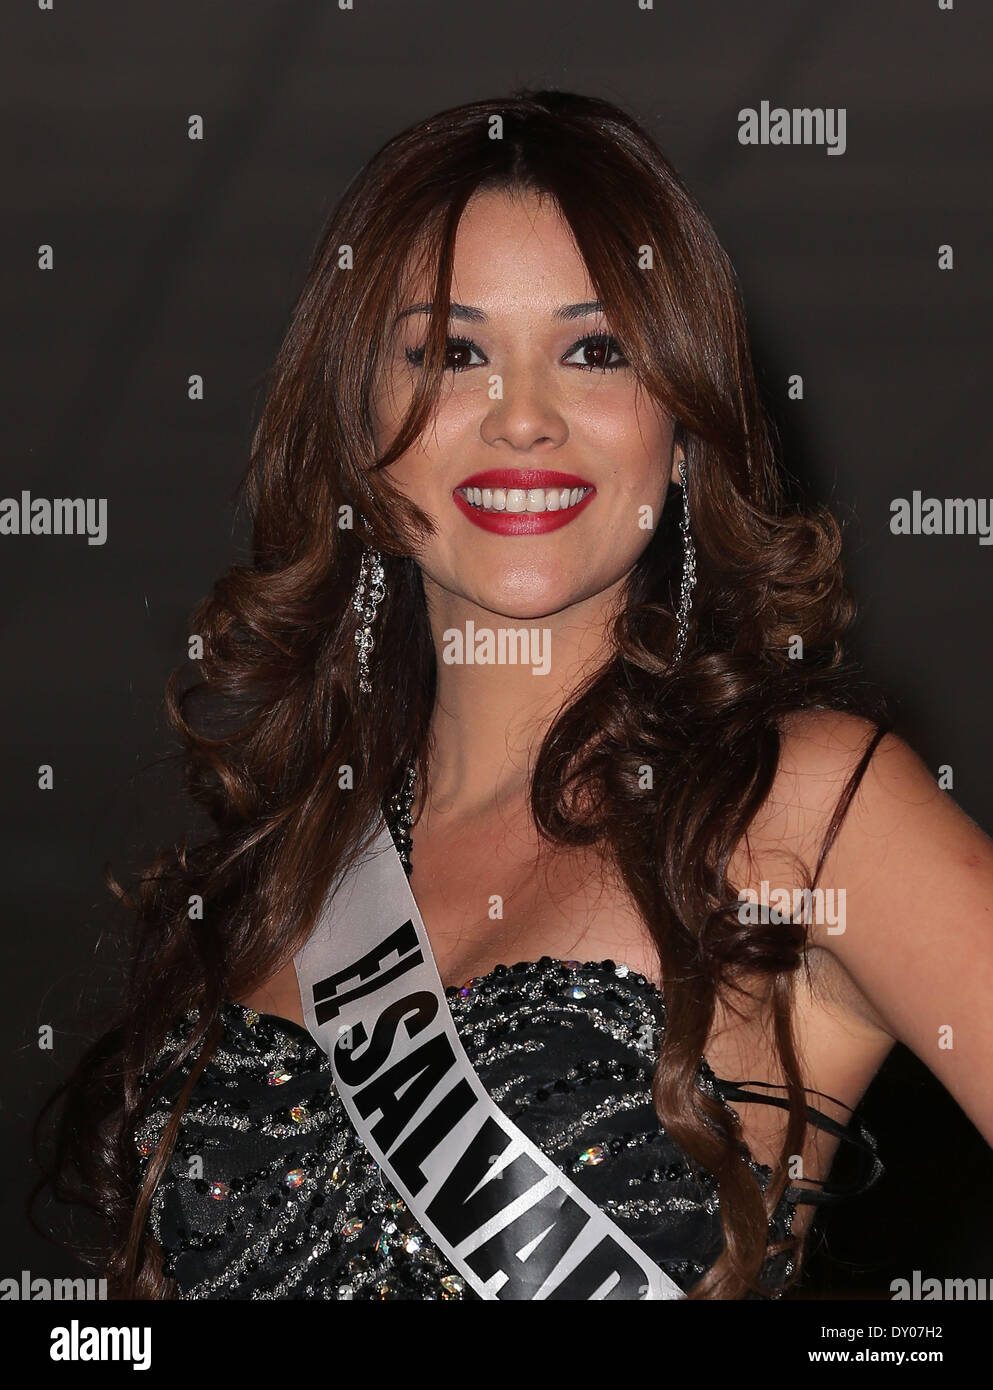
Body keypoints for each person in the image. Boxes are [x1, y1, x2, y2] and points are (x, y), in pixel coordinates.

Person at [41, 89, 993, 1301]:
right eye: (452, 352)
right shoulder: (278, 885)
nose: (524, 417)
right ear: (358, 422)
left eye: (596, 351)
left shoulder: (798, 804)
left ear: (683, 427)